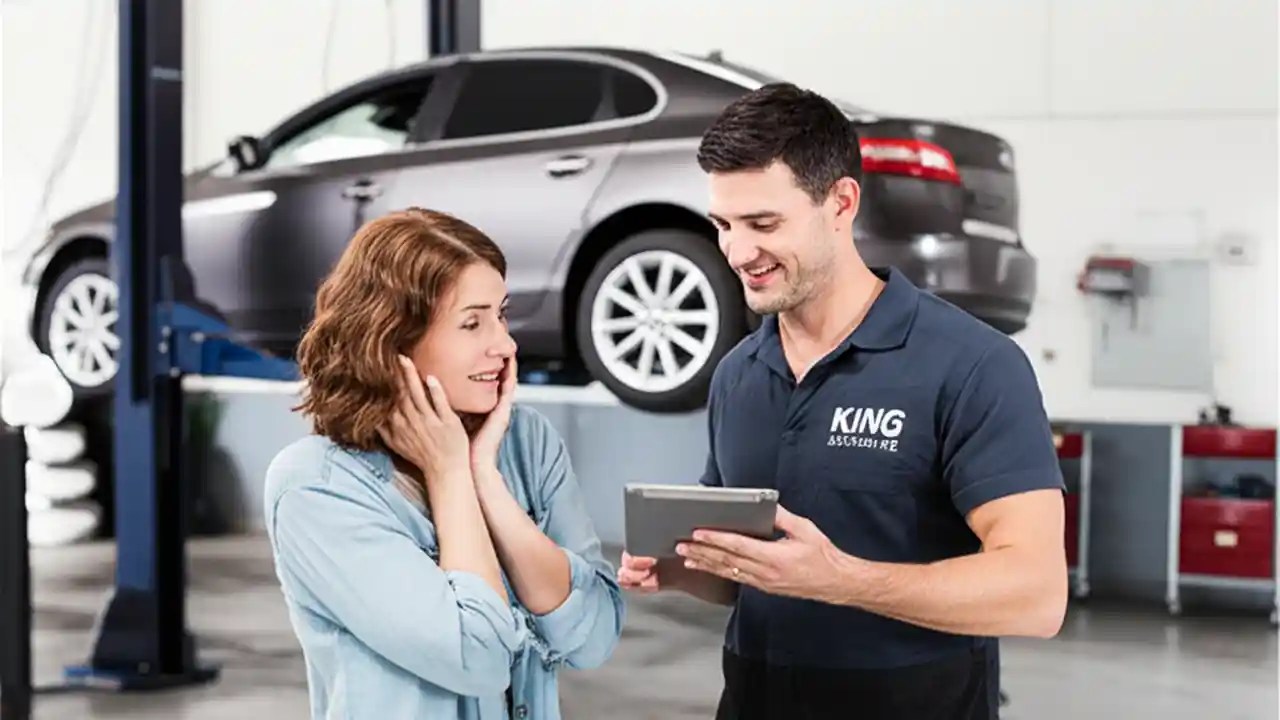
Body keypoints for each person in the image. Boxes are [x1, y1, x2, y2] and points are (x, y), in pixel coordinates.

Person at [618, 83, 1067, 720]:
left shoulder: (973, 365)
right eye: (722, 225)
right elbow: (759, 571)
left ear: (841, 202)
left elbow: (1037, 595)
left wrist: (842, 580)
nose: (739, 253)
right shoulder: (740, 374)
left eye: (764, 224)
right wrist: (686, 567)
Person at [263, 208, 624, 720]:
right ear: (393, 340)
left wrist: (486, 482)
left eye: (501, 314)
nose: (504, 344)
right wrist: (450, 474)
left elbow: (595, 637)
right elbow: (478, 657)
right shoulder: (316, 488)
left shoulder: (527, 442)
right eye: (472, 322)